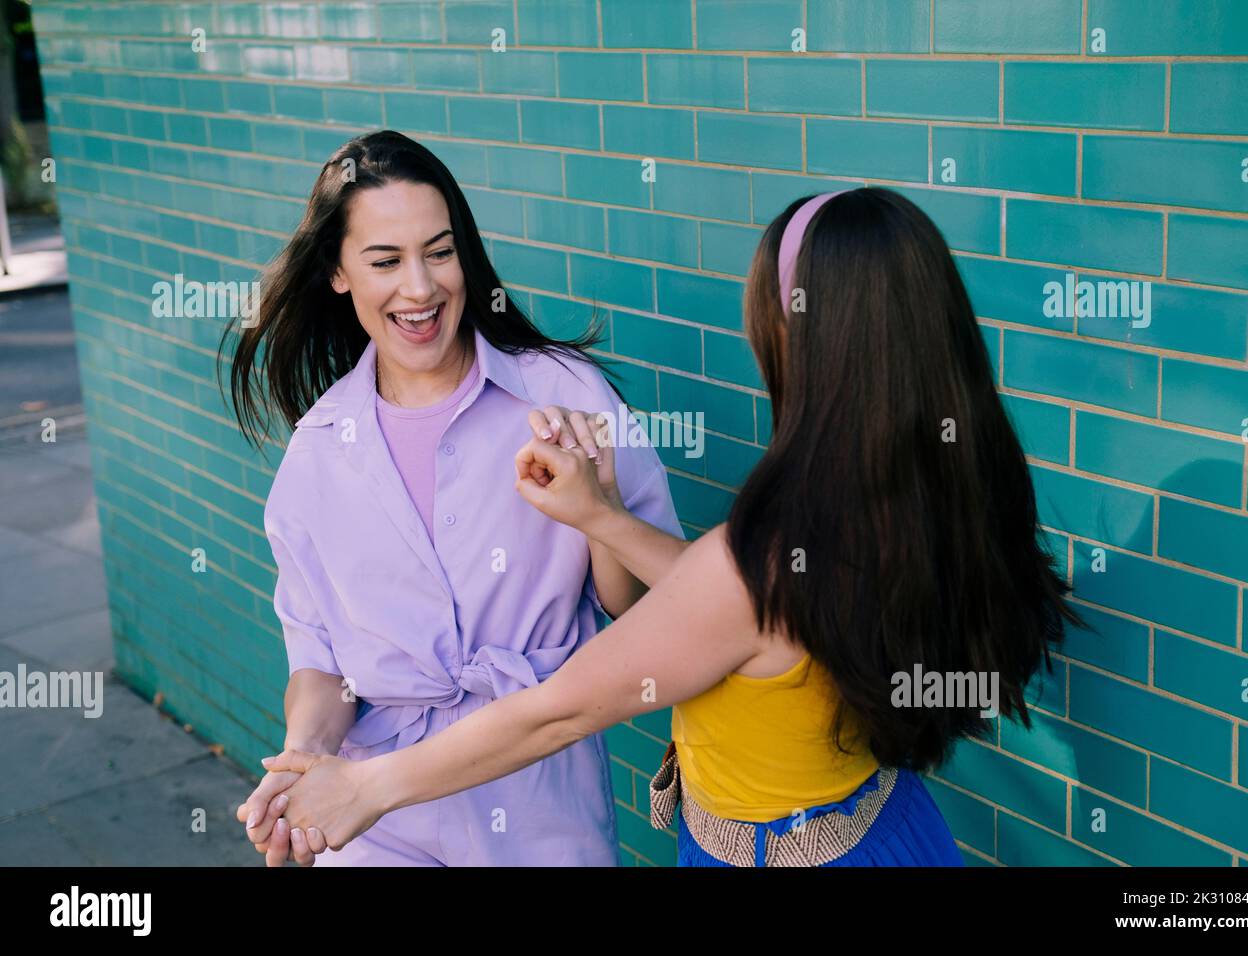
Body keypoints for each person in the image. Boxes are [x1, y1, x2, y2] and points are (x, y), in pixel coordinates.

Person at [262, 186, 1080, 867]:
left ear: (800, 336)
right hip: (894, 833)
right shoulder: (928, 495)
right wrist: (602, 518)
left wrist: (368, 788)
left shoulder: (752, 564)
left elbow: (562, 709)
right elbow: (731, 612)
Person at [220, 130, 682, 866]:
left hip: (539, 793)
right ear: (338, 273)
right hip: (375, 814)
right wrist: (304, 758)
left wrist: (599, 510)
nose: (421, 287)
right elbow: (321, 660)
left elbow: (646, 606)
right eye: (385, 261)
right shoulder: (317, 451)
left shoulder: (560, 392)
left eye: (440, 252)